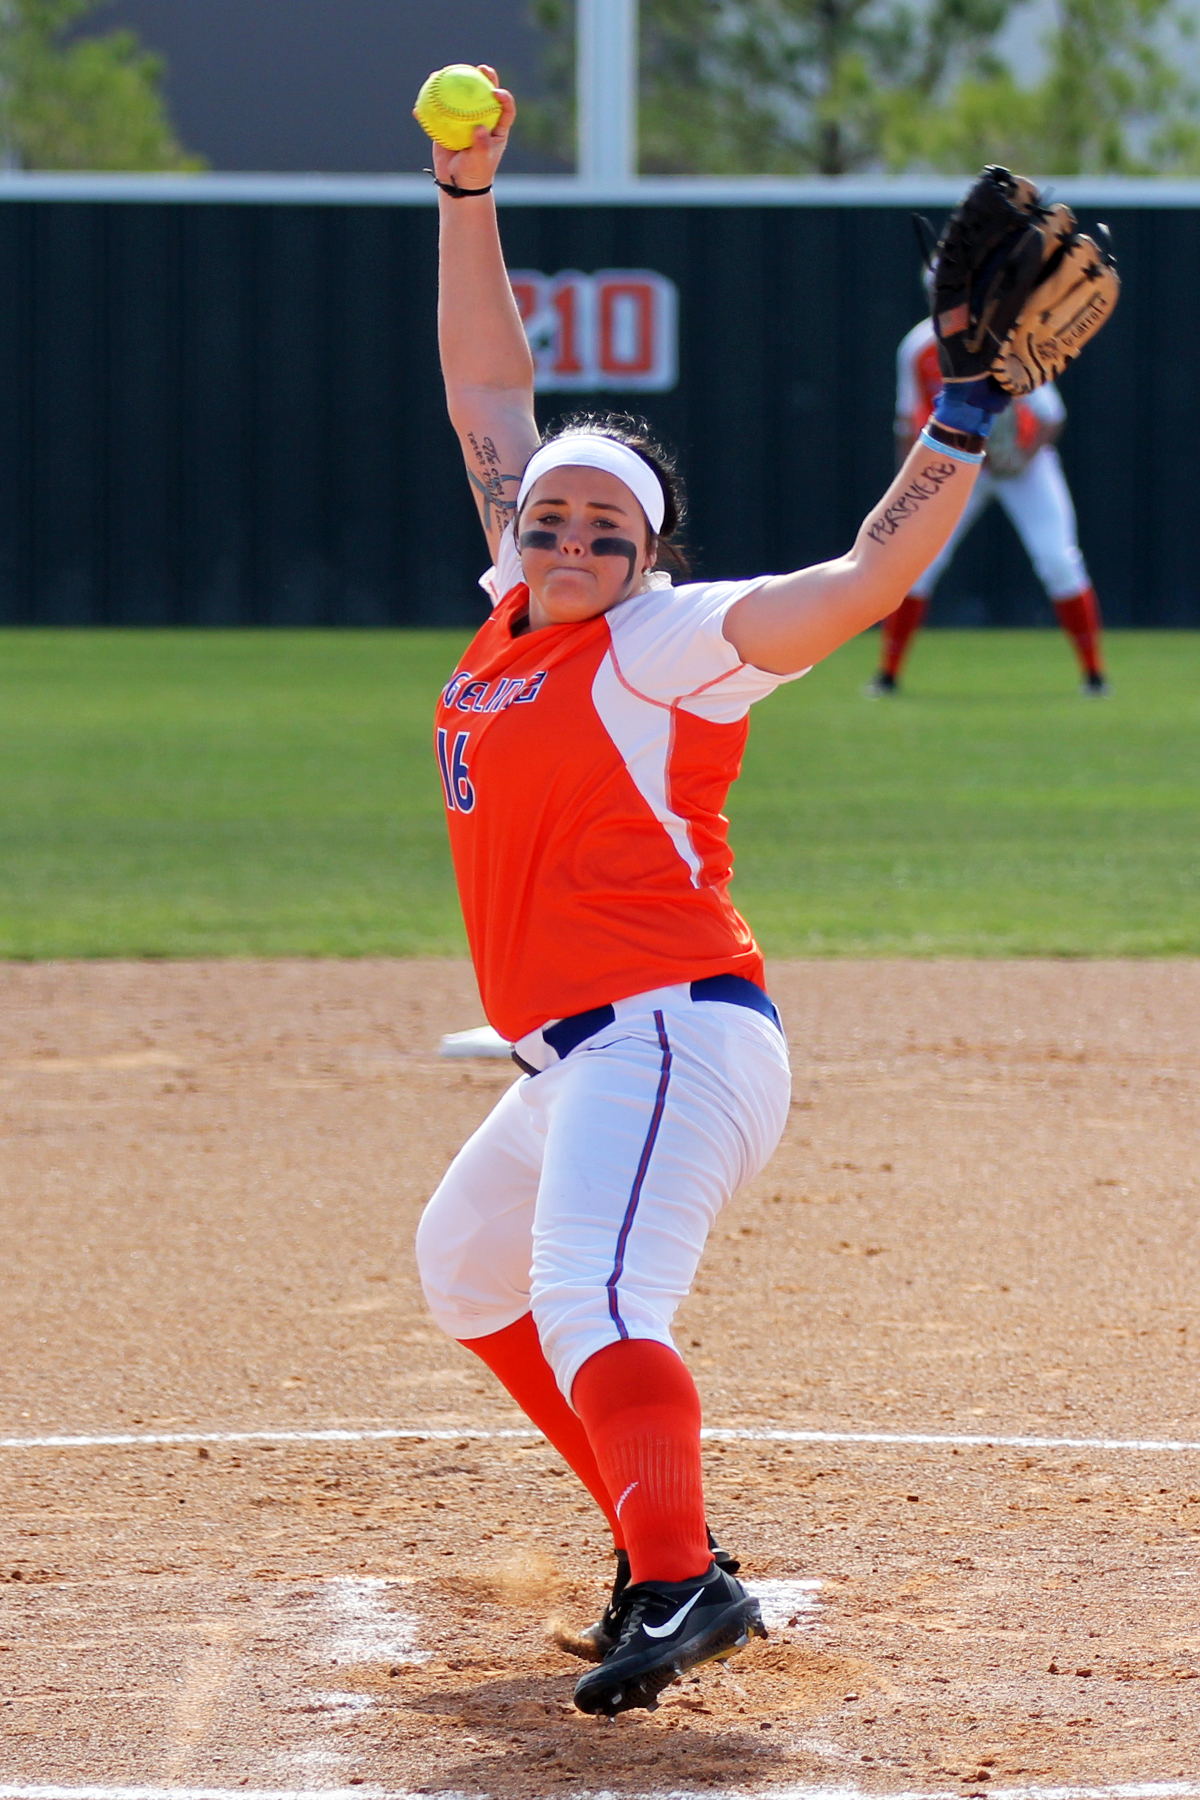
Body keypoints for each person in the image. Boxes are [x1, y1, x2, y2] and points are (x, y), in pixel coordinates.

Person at [413, 70, 991, 1719]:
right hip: (580, 1054)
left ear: (648, 552)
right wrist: (468, 193)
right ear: (517, 530)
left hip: (669, 1032)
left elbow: (863, 581)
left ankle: (681, 1580)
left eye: (609, 521)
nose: (573, 529)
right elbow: (483, 383)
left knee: (595, 1291)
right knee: (470, 1266)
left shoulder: (660, 644)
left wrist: (954, 421)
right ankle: (654, 1538)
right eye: (550, 511)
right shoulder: (515, 607)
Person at [866, 305, 1109, 697]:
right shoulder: (918, 347)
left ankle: (1095, 675)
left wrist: (1020, 456)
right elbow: (910, 423)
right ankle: (887, 675)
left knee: (1058, 560)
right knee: (918, 563)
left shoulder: (1013, 337)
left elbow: (1050, 417)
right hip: (959, 463)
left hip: (1023, 467)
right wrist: (911, 483)